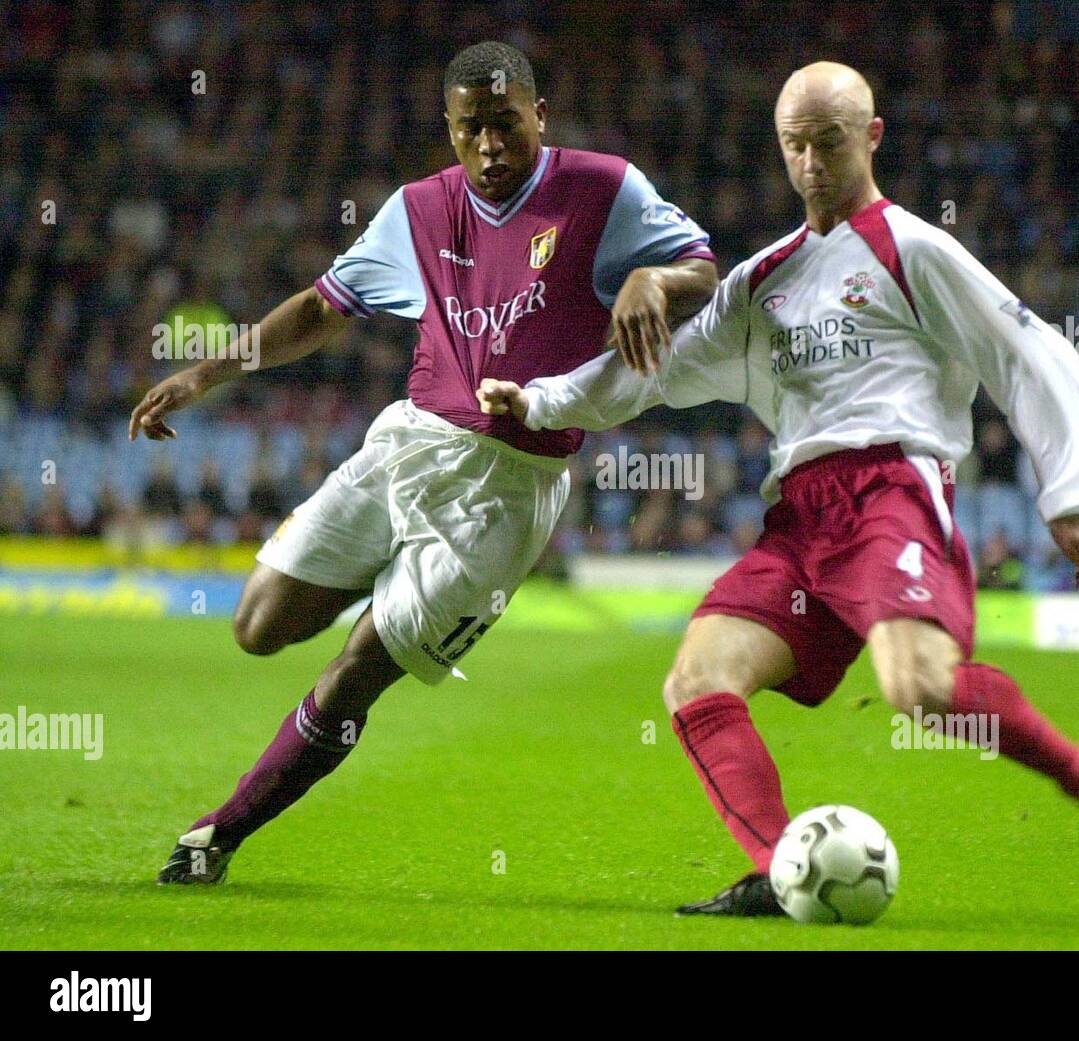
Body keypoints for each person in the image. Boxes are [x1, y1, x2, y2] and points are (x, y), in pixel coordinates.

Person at [478, 62, 1079, 917]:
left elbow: (1025, 351)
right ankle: (782, 868)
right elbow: (654, 368)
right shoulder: (762, 278)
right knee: (696, 681)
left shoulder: (913, 249)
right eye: (796, 145)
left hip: (892, 490)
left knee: (917, 689)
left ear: (872, 136)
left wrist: (1070, 494)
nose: (813, 162)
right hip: (799, 519)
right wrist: (541, 399)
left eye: (831, 141)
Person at [130, 41, 718, 884]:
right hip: (407, 442)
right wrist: (205, 370)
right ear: (449, 130)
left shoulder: (603, 189)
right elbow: (321, 307)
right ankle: (391, 589)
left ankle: (216, 836)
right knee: (258, 626)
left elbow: (705, 268)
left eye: (506, 124)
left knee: (359, 673)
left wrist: (654, 283)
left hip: (507, 489)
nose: (490, 145)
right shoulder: (416, 210)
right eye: (471, 128)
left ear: (539, 116)